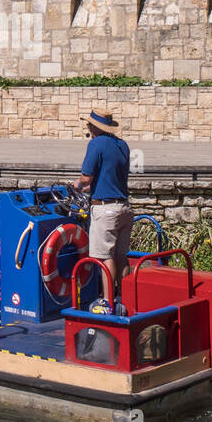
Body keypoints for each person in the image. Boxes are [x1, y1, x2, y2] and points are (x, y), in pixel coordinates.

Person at [75, 108, 132, 292]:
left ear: (94, 127)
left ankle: (108, 304)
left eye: (89, 124)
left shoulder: (96, 144)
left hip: (105, 210)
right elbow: (111, 177)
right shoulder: (122, 145)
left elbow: (86, 178)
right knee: (121, 257)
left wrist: (76, 184)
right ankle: (126, 300)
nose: (88, 128)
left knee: (105, 258)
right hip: (124, 207)